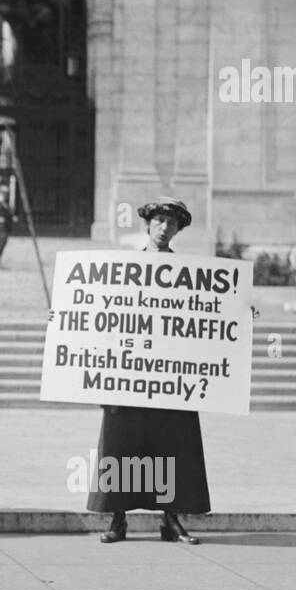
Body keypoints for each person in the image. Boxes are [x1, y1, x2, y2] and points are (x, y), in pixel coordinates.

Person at [86, 196, 210, 545]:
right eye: (159, 221)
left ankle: (171, 520)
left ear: (178, 230)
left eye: (172, 223)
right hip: (130, 373)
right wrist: (63, 317)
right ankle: (117, 519)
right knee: (123, 443)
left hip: (169, 377)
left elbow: (206, 317)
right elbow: (98, 308)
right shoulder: (126, 266)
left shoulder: (189, 274)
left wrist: (240, 315)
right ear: (148, 225)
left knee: (173, 444)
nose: (165, 227)